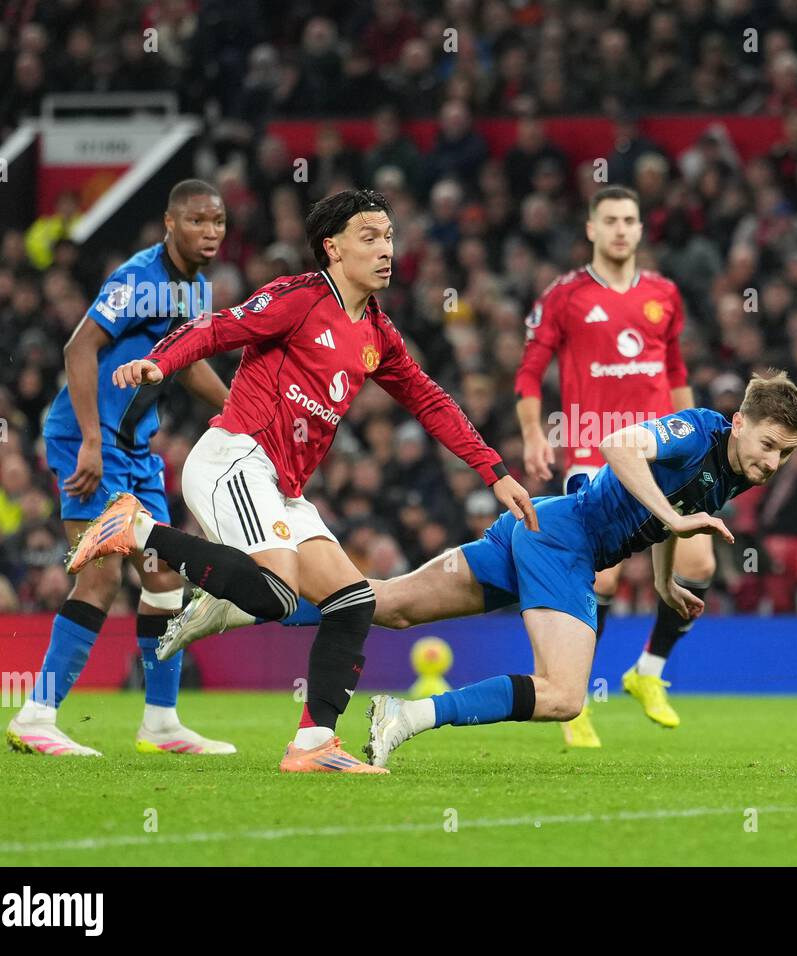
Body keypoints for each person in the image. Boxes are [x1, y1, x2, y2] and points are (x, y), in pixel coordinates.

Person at [67, 188, 535, 774]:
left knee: (352, 599)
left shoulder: (377, 334)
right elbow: (218, 328)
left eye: (389, 236)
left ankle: (313, 744)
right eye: (370, 236)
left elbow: (429, 399)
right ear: (332, 248)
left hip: (281, 486)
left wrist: (494, 472)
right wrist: (161, 362)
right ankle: (135, 527)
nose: (385, 249)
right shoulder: (299, 297)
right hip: (235, 456)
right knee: (278, 591)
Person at [355, 375, 797, 768]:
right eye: (768, 445)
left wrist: (662, 582)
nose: (772, 463)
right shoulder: (697, 430)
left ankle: (293, 586)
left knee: (391, 606)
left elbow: (677, 508)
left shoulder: (736, 471)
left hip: (540, 525)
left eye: (785, 455)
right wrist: (673, 520)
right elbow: (618, 445)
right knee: (565, 696)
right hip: (563, 541)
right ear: (741, 422)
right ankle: (407, 717)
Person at [7, 180, 237, 759]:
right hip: (89, 444)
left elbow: (183, 367)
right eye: (197, 221)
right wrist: (89, 440)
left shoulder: (198, 289)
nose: (209, 232)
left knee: (164, 579)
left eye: (218, 222)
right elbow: (78, 349)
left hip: (136, 455)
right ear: (169, 222)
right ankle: (37, 715)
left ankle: (160, 723)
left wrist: (242, 412)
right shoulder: (139, 277)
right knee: (103, 574)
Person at [514, 185, 707, 747]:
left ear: (641, 229)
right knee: (604, 575)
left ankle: (647, 672)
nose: (622, 229)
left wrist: (691, 438)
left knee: (699, 561)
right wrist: (532, 434)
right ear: (592, 229)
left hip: (662, 450)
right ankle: (572, 700)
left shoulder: (665, 294)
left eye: (631, 220)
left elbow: (675, 373)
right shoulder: (565, 296)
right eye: (611, 220)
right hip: (592, 449)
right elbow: (530, 371)